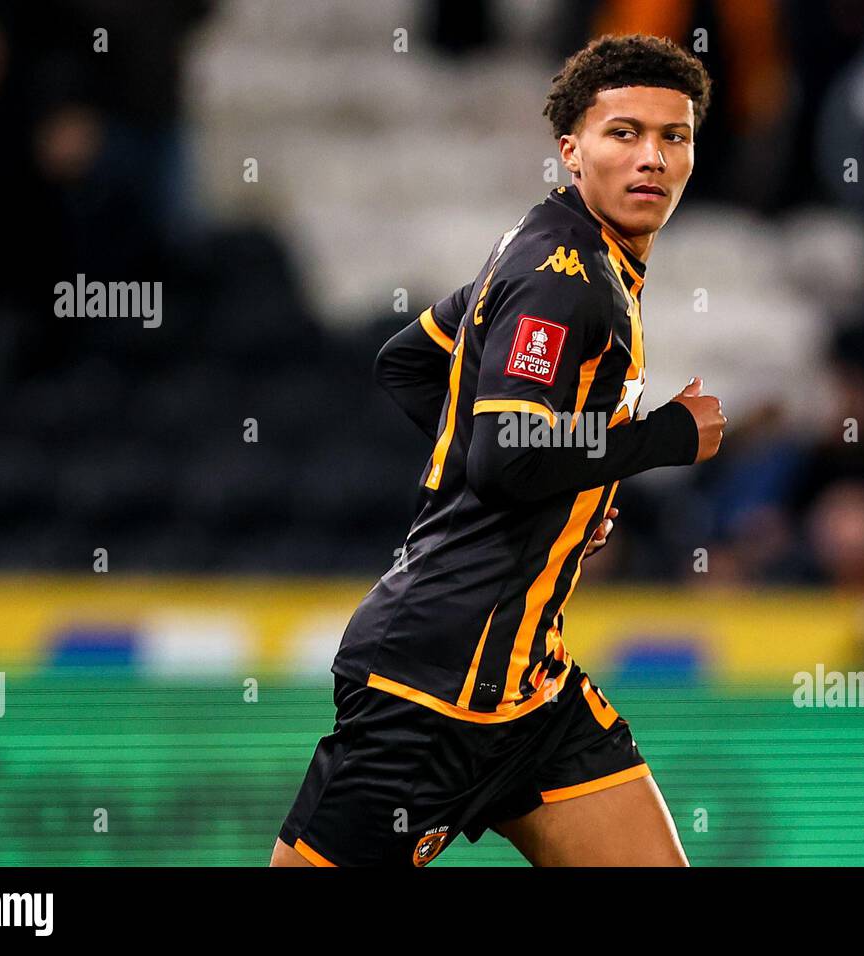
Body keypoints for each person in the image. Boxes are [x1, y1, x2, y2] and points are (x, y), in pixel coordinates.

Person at [272, 33, 725, 867]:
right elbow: (507, 457)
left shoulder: (554, 245)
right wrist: (660, 436)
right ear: (571, 149)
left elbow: (409, 362)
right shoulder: (567, 276)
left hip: (529, 693)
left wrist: (555, 477)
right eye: (623, 133)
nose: (652, 157)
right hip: (428, 684)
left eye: (674, 136)